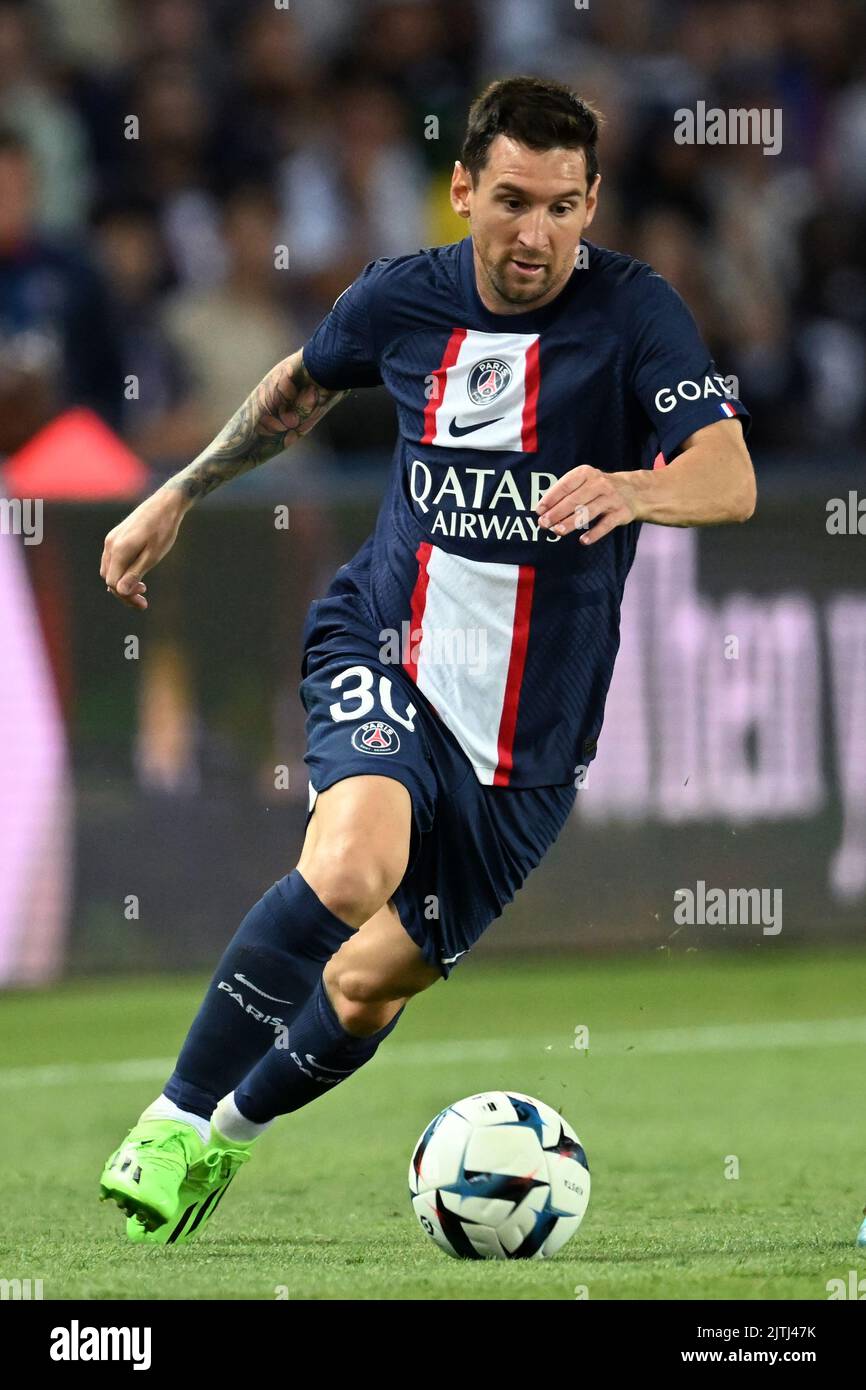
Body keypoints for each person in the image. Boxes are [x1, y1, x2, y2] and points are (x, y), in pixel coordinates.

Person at [98, 76, 755, 1247]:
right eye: (510, 201)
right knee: (351, 866)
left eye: (562, 207)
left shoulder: (633, 315)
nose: (534, 235)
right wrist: (180, 492)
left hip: (528, 745)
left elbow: (729, 474)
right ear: (461, 190)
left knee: (362, 986)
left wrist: (631, 484)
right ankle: (169, 1115)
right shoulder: (403, 298)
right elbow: (297, 389)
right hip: (385, 645)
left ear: (591, 201)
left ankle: (223, 1141)